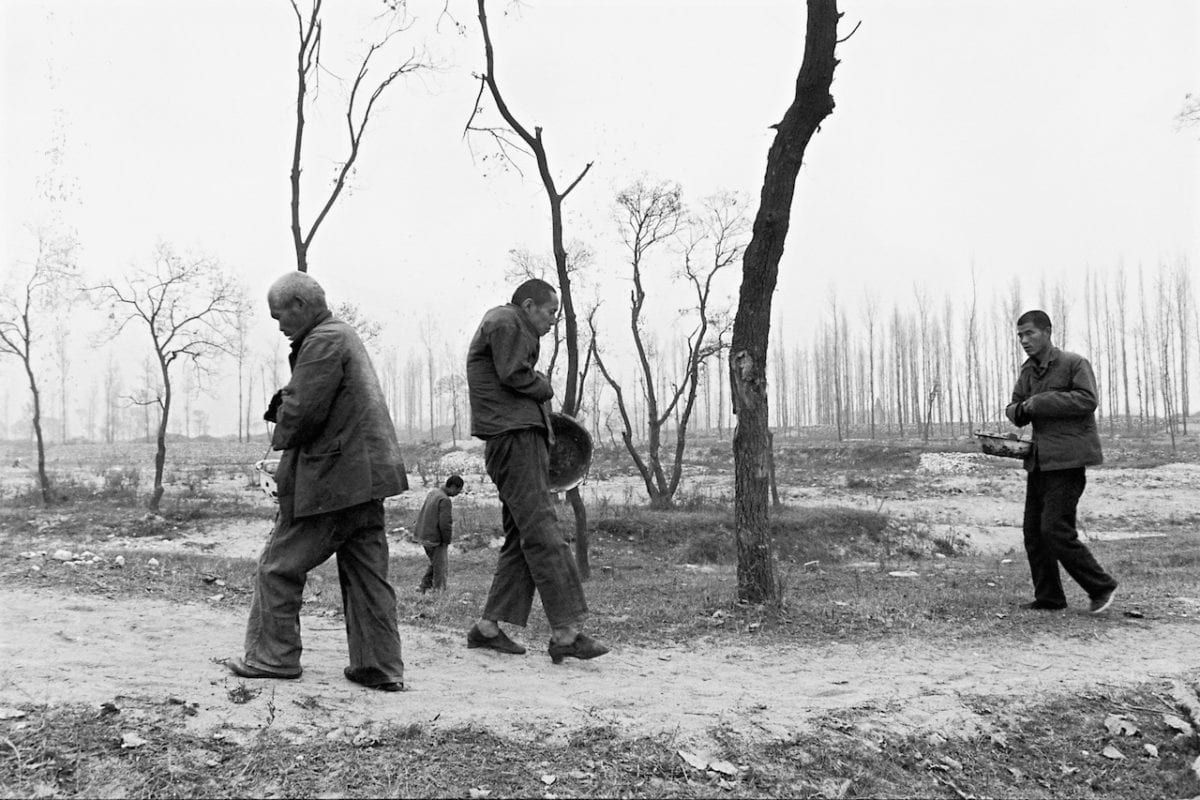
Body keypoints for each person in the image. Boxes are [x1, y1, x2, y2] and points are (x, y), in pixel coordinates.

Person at [228, 272, 409, 691]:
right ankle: (379, 666)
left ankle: (272, 657)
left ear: (300, 305)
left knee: (278, 567)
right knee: (366, 575)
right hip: (368, 480)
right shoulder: (343, 335)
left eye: (279, 315)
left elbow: (302, 414)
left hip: (333, 482)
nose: (278, 325)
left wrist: (282, 419)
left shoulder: (323, 340)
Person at [464, 278, 609, 664]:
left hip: (517, 440)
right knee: (543, 531)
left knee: (521, 537)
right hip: (514, 442)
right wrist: (543, 386)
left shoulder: (511, 324)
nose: (553, 320)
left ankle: (487, 628)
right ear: (528, 306)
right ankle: (565, 633)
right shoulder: (506, 321)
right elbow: (515, 374)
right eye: (550, 311)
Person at [1005, 309, 1118, 615]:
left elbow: (1087, 400)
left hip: (1068, 461)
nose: (1024, 340)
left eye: (1030, 333)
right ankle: (1049, 598)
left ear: (1047, 331)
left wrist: (1040, 402)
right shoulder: (1028, 371)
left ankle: (1101, 586)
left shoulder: (1073, 363)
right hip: (1039, 462)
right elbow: (1015, 406)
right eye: (1020, 335)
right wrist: (1018, 411)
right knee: (1033, 532)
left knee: (1054, 528)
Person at [415, 474, 464, 592]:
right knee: (441, 567)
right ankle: (439, 592)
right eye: (458, 490)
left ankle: (423, 586)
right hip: (434, 538)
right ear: (453, 487)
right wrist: (446, 540)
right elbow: (445, 523)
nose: (458, 494)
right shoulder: (444, 500)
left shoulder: (434, 493)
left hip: (423, 535)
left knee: (435, 563)